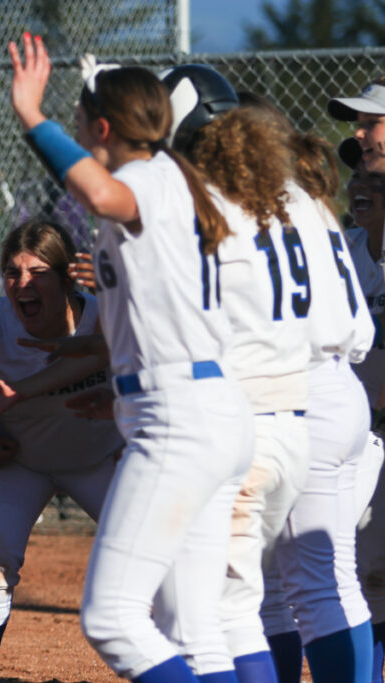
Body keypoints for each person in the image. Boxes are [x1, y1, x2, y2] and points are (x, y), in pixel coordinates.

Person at [9, 34, 254, 682]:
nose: (77, 126)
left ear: (104, 128)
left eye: (82, 118)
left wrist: (33, 115)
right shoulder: (183, 184)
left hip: (180, 416)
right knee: (192, 627)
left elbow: (100, 194)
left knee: (113, 617)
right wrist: (122, 386)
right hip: (205, 406)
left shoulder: (148, 178)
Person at [157, 69, 315, 683]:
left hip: (237, 423)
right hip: (296, 416)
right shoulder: (289, 201)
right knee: (246, 604)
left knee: (197, 611)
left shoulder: (204, 207)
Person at [227, 95, 378, 683]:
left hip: (296, 396)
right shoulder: (308, 196)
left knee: (297, 587)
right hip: (341, 388)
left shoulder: (239, 201)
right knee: (326, 580)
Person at [0, 218, 123, 683]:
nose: (21, 283)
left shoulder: (103, 317)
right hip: (18, 463)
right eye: (12, 272)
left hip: (98, 457)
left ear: (68, 278)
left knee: (158, 558)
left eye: (38, 272)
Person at [337, 135, 385, 683]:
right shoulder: (343, 251)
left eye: (376, 180)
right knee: (365, 570)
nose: (361, 186)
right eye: (357, 178)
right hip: (363, 431)